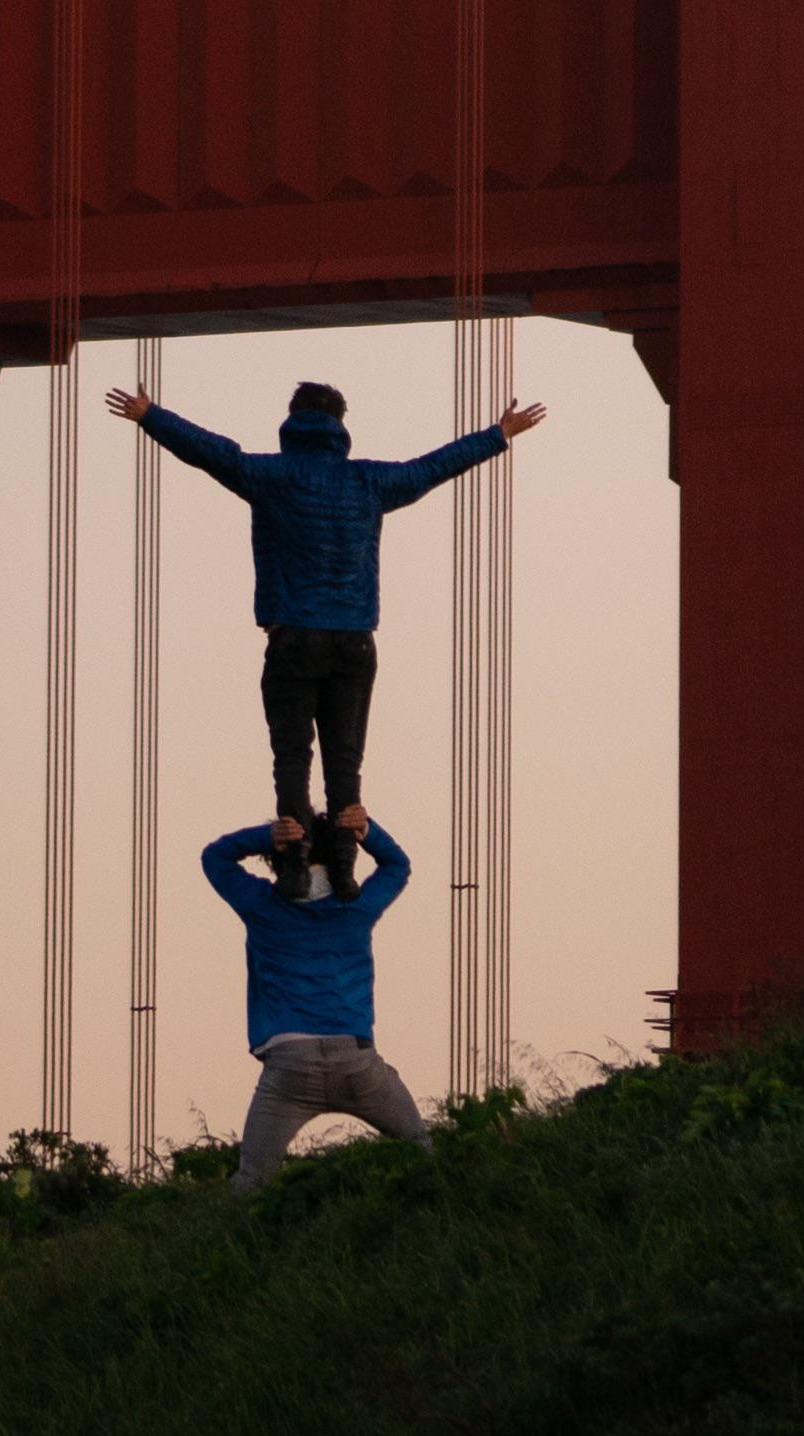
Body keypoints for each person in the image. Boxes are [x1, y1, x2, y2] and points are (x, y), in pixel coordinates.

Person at [108, 372, 546, 858]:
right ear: (340, 425)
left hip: (293, 635)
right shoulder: (369, 480)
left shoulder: (270, 475)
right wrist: (496, 434)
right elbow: (429, 469)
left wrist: (151, 417)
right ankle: (342, 866)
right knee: (345, 764)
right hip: (354, 639)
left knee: (292, 759)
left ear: (292, 421)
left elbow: (214, 454)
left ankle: (294, 865)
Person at [201, 801, 425, 1190]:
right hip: (355, 1060)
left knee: (252, 1181)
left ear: (278, 860)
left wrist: (267, 837)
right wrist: (367, 831)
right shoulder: (356, 907)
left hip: (289, 1064)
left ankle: (236, 1247)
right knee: (421, 1150)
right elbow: (397, 866)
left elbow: (214, 858)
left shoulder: (263, 905)